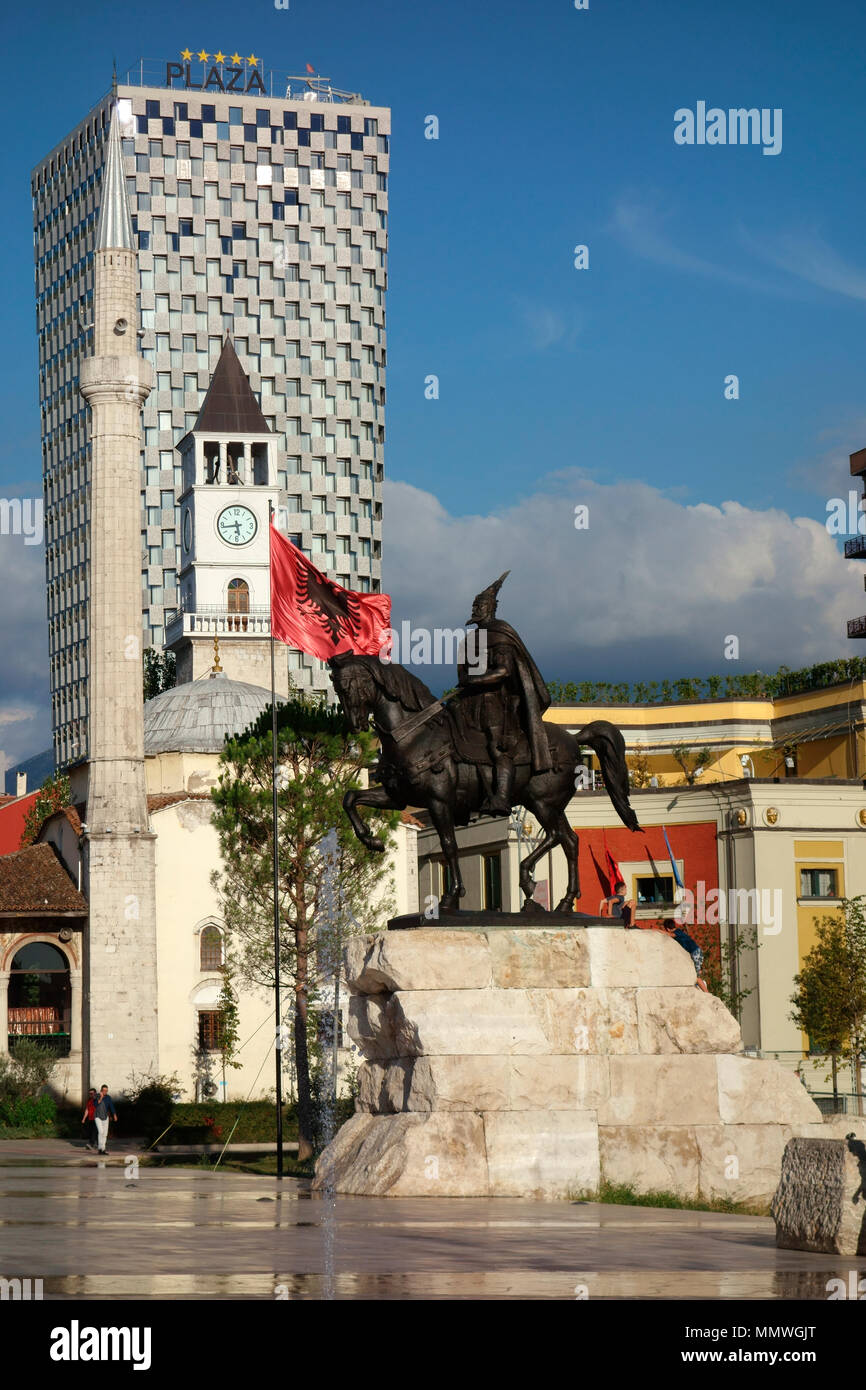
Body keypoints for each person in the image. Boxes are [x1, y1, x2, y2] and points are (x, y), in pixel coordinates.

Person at [456, 572, 552, 814]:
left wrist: (474, 681)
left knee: (497, 747)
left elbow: (504, 671)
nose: (476, 608)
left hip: (495, 701)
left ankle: (501, 797)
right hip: (469, 700)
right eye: (474, 605)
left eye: (480, 605)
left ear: (491, 608)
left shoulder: (500, 634)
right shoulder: (469, 639)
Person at [661, 918, 708, 990]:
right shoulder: (679, 931)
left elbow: (670, 935)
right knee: (694, 973)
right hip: (696, 952)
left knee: (695, 976)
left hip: (695, 953)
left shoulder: (677, 932)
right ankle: (699, 985)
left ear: (667, 929)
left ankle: (706, 992)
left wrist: (658, 931)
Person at [94, 1084, 117, 1155]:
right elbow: (95, 1105)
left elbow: (111, 1106)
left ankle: (103, 1149)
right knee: (100, 1132)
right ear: (101, 1090)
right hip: (98, 1117)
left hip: (105, 1117)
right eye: (104, 1091)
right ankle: (99, 1148)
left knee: (105, 1134)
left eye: (106, 1091)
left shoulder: (108, 1097)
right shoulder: (97, 1096)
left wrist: (114, 1115)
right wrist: (100, 1097)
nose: (105, 1092)